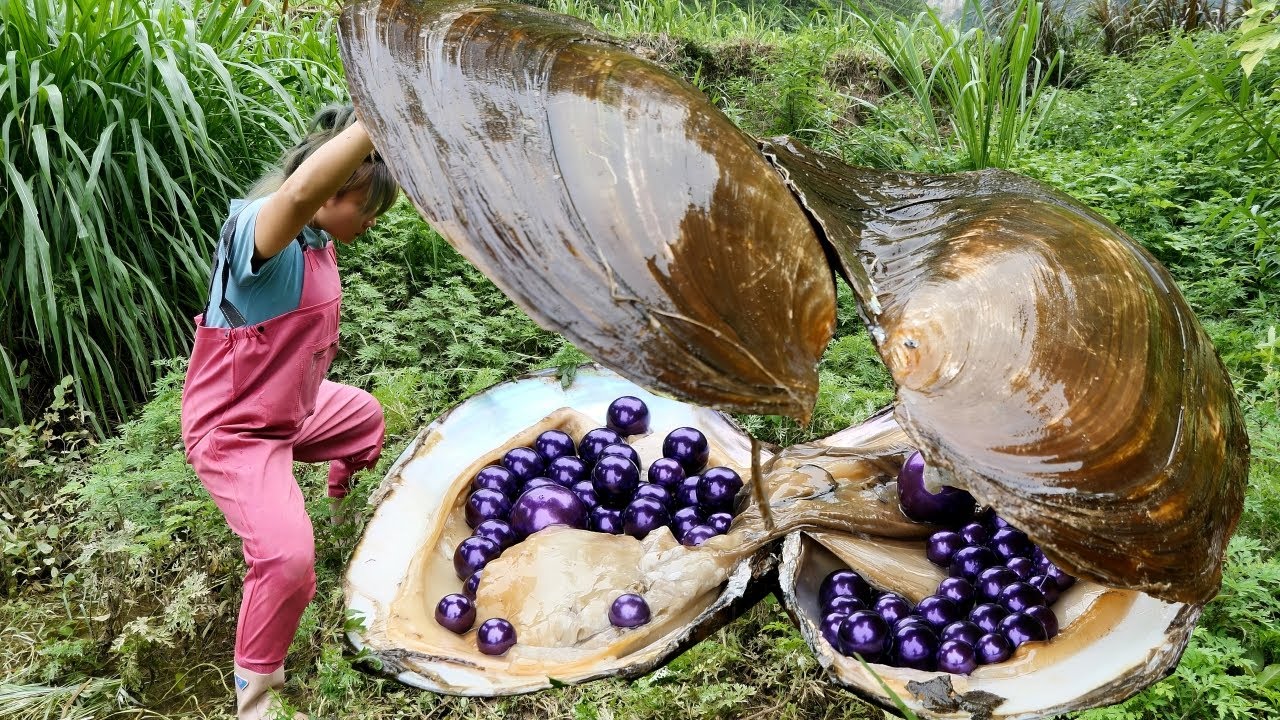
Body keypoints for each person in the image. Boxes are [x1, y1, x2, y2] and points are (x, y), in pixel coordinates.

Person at [180, 105, 399, 720]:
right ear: (331, 192)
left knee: (365, 420)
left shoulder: (318, 241)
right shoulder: (264, 233)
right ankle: (257, 701)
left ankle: (336, 518)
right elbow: (301, 188)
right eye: (369, 207)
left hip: (293, 409)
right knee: (285, 558)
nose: (374, 221)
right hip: (237, 430)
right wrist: (380, 118)